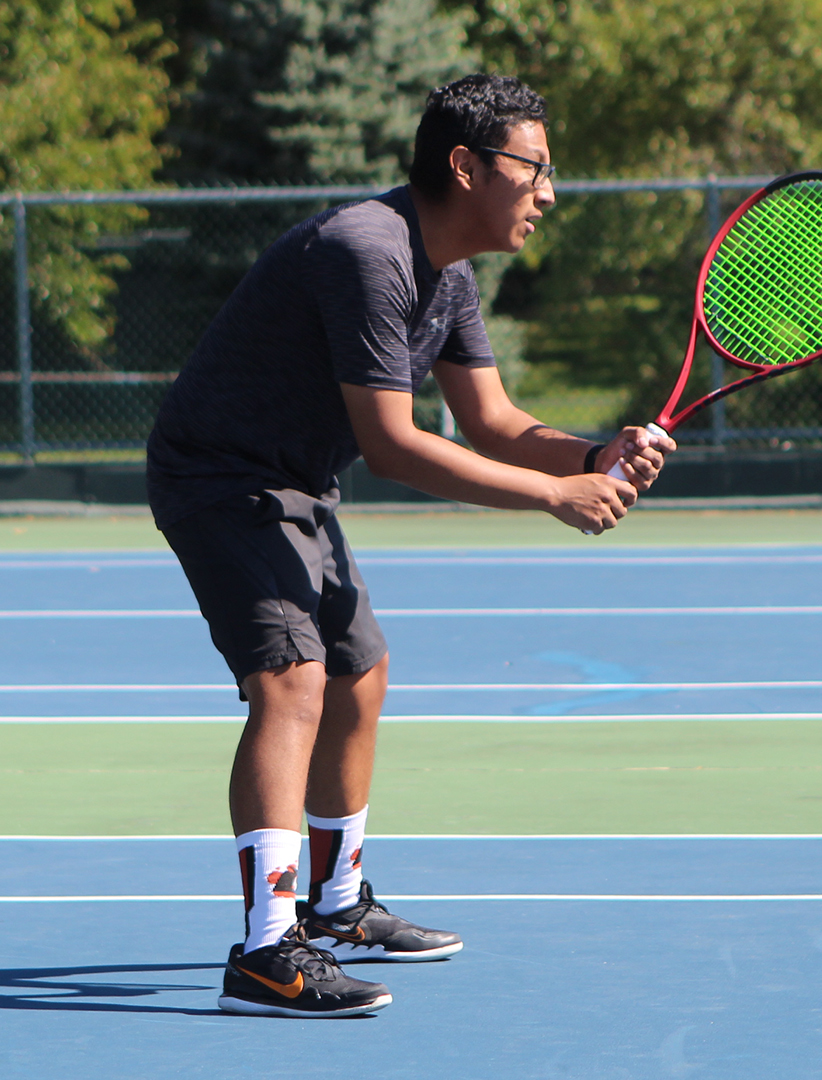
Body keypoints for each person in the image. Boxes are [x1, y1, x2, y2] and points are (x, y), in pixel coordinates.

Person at [144, 74, 675, 1018]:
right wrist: (557, 493)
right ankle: (268, 951)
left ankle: (339, 903)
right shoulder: (366, 251)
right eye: (535, 168)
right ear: (466, 167)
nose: (549, 192)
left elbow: (495, 421)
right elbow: (393, 445)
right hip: (219, 476)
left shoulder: (450, 275)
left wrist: (596, 451)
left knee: (363, 674)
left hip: (296, 482)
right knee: (291, 682)